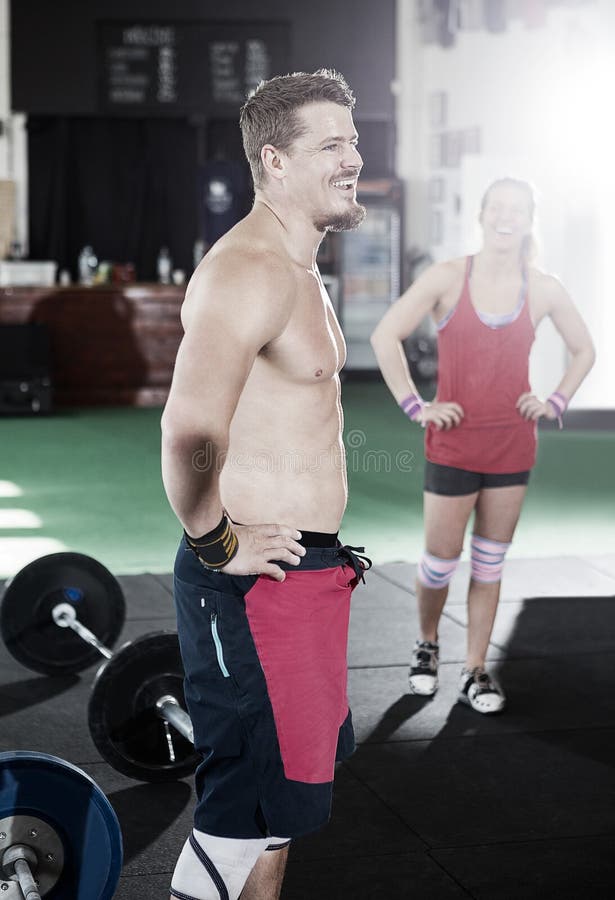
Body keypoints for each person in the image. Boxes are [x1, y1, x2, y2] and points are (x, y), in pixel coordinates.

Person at [160, 69, 370, 900]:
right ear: (275, 161)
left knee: (279, 812)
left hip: (304, 576)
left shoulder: (298, 268)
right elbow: (187, 431)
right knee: (235, 819)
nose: (353, 158)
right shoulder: (247, 268)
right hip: (251, 588)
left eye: (354, 140)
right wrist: (218, 541)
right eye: (332, 144)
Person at [371, 177, 595, 715]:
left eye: (517, 209)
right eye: (497, 207)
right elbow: (385, 335)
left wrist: (555, 401)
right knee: (440, 565)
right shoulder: (449, 277)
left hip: (512, 448)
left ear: (528, 219)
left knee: (489, 566)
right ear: (482, 214)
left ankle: (475, 670)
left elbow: (584, 349)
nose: (506, 217)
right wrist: (415, 406)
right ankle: (427, 645)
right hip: (451, 446)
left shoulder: (541, 286)